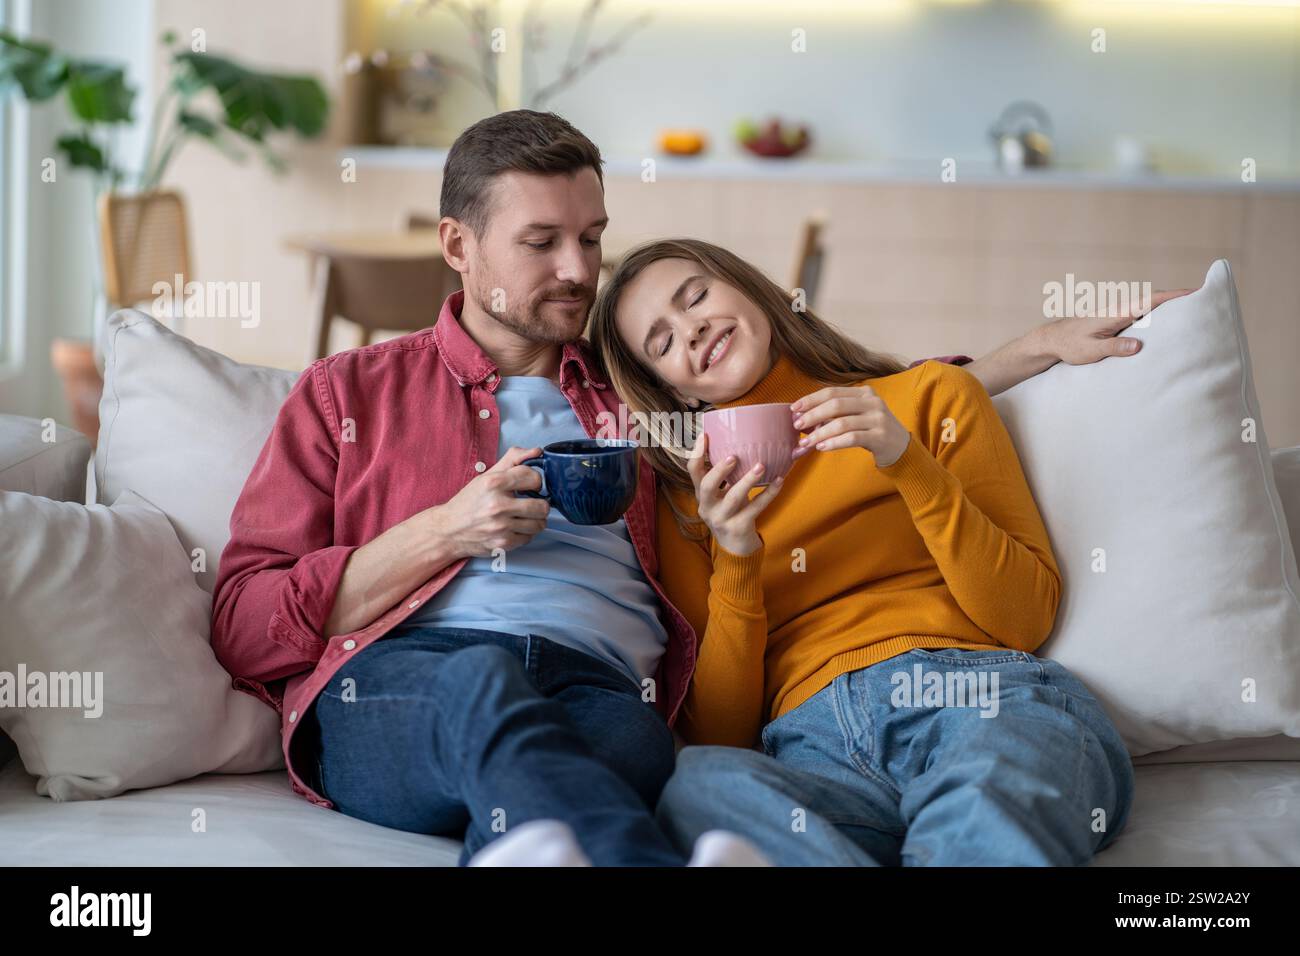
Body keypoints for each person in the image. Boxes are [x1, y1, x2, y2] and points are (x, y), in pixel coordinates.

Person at [212, 108, 1177, 868]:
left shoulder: (641, 407)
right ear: (458, 246)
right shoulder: (348, 392)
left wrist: (1002, 364)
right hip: (411, 681)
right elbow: (245, 623)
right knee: (500, 692)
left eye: (592, 237)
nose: (578, 270)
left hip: (607, 696)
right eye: (542, 242)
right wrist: (440, 533)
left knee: (658, 764)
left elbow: (835, 399)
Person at [588, 237, 1190, 865]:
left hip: (977, 701)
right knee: (700, 788)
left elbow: (1025, 617)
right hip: (813, 746)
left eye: (697, 295)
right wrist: (736, 555)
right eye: (661, 342)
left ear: (749, 288)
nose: (692, 328)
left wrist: (908, 465)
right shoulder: (689, 502)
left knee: (994, 779)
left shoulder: (930, 398)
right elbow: (720, 734)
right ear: (675, 390)